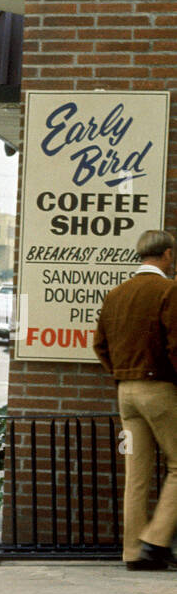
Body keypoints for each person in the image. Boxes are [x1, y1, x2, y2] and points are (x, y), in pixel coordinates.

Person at [93, 229, 177, 570]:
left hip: (124, 391)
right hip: (158, 389)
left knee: (137, 473)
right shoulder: (169, 291)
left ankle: (132, 552)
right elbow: (175, 346)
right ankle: (155, 541)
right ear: (167, 255)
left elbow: (99, 344)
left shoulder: (116, 294)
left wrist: (120, 371)